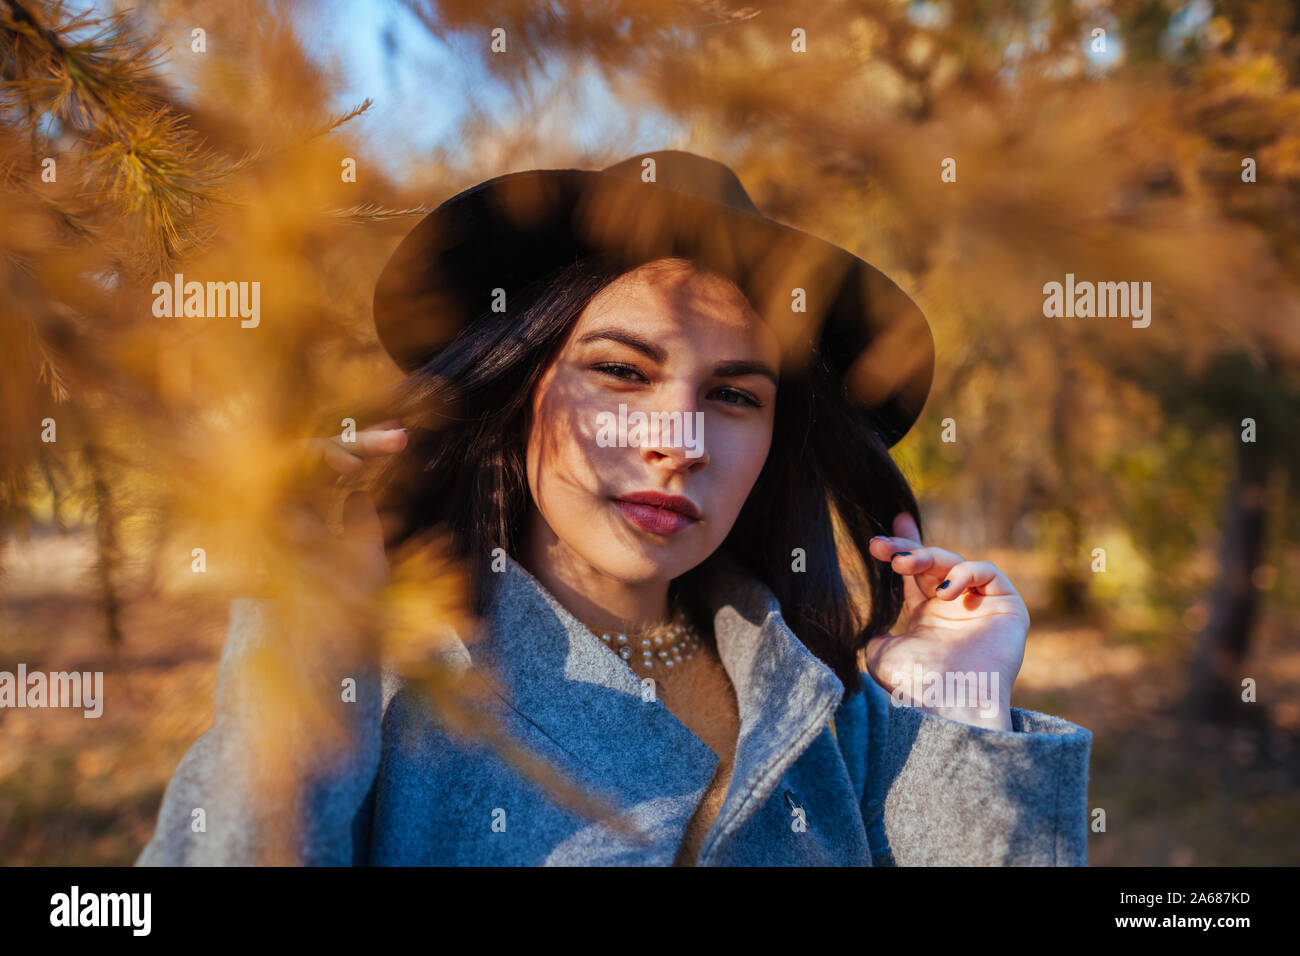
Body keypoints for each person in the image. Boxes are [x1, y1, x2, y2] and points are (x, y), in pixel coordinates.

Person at [137, 150, 1091, 866]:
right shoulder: (391, 687)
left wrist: (952, 703)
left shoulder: (844, 711)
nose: (681, 439)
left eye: (735, 397)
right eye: (620, 373)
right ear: (518, 393)